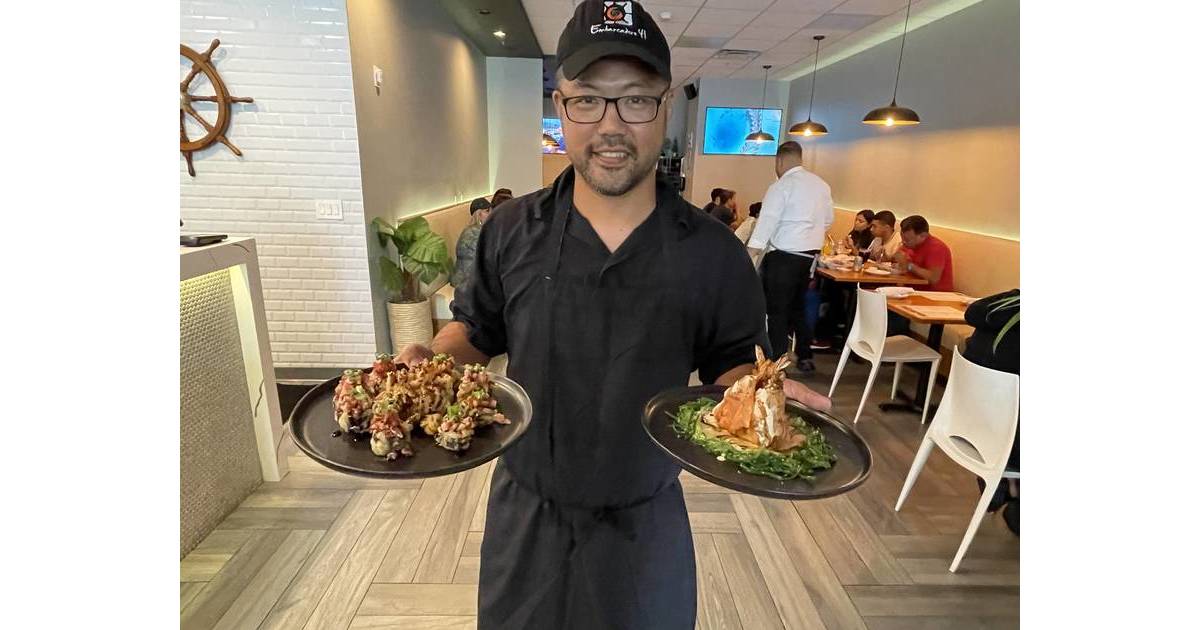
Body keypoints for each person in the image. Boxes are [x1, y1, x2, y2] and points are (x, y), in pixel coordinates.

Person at [398, 3, 830, 628]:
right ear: (560, 102)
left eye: (634, 100)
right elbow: (476, 329)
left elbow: (733, 362)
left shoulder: (713, 252)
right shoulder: (512, 229)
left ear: (665, 101)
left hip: (645, 517)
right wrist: (429, 360)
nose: (611, 125)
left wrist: (762, 393)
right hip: (527, 511)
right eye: (589, 101)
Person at [747, 140, 834, 375]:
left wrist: (749, 254)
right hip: (808, 259)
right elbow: (828, 221)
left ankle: (776, 363)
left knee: (777, 312)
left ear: (779, 160)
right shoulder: (821, 185)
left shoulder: (781, 185)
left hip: (783, 257)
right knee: (798, 308)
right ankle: (805, 355)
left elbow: (767, 222)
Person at [962, 288, 1020, 535]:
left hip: (966, 425)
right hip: (1005, 443)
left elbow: (971, 311)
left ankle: (1006, 485)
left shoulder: (998, 309)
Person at [895, 215, 955, 291]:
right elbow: (900, 259)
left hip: (936, 295)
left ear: (923, 235)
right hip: (911, 290)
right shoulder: (910, 245)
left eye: (907, 240)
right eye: (902, 238)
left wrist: (909, 266)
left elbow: (933, 278)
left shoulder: (936, 248)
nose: (903, 242)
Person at [450, 197, 492, 287]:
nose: (491, 213)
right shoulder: (470, 233)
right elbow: (485, 255)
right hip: (465, 279)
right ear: (478, 214)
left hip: (476, 275)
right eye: (487, 211)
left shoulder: (482, 230)